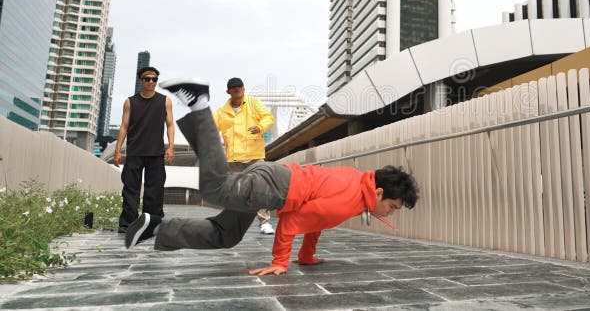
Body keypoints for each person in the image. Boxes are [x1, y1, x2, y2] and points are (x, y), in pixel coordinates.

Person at [125, 77, 419, 276]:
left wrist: (306, 257)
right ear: (379, 193)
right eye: (392, 207)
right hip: (275, 186)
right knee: (215, 190)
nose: (389, 212)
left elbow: (316, 222)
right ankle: (200, 105)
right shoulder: (353, 199)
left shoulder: (357, 183)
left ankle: (156, 229)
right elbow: (293, 222)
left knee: (225, 235)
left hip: (272, 181)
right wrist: (280, 262)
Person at [114, 66, 175, 233]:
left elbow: (170, 125)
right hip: (135, 152)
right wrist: (118, 150)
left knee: (154, 191)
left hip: (156, 152)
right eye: (147, 79)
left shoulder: (165, 101)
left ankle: (151, 225)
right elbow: (124, 126)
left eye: (154, 79)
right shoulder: (130, 101)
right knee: (130, 190)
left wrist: (170, 147)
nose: (151, 82)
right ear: (141, 81)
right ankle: (127, 224)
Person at [213, 77, 276, 234]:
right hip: (234, 159)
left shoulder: (253, 103)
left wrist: (260, 127)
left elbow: (269, 118)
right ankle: (232, 224)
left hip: (255, 155)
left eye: (239, 86)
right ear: (228, 91)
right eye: (233, 87)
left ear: (244, 88)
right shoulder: (221, 112)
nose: (237, 89)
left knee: (261, 189)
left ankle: (265, 222)